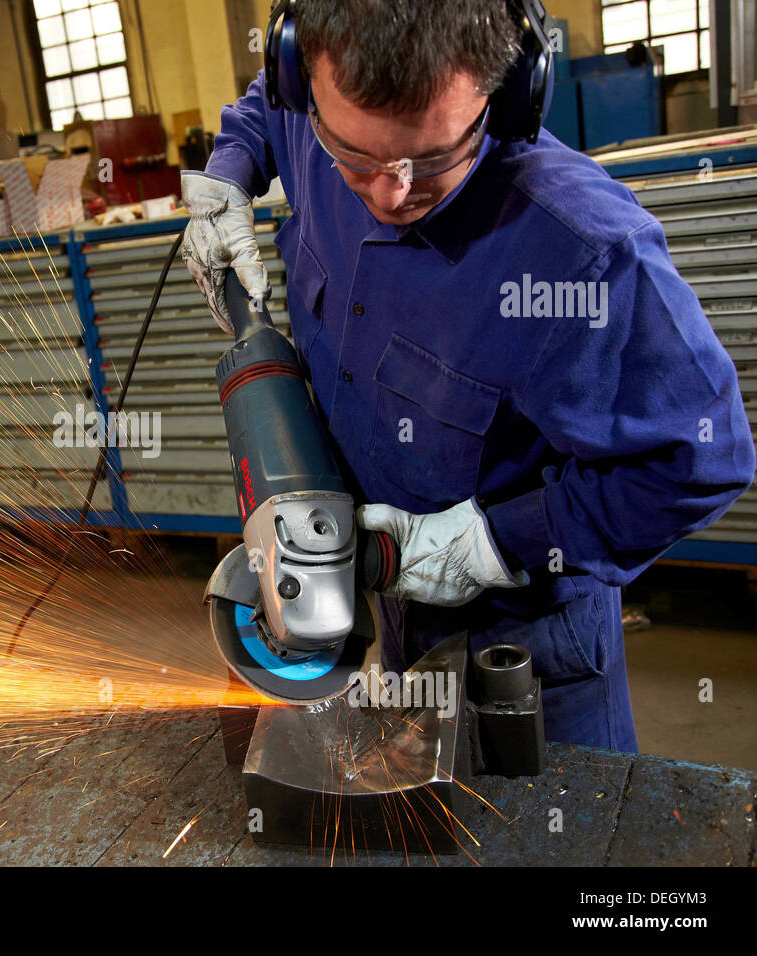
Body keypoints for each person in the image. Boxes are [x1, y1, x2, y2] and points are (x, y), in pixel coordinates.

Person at [181, 0, 755, 750]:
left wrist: (492, 543)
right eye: (354, 157)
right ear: (303, 73)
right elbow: (263, 109)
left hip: (527, 656)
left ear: (508, 92)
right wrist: (227, 174)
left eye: (429, 162)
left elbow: (700, 462)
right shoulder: (307, 104)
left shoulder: (582, 256)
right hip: (389, 604)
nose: (389, 195)